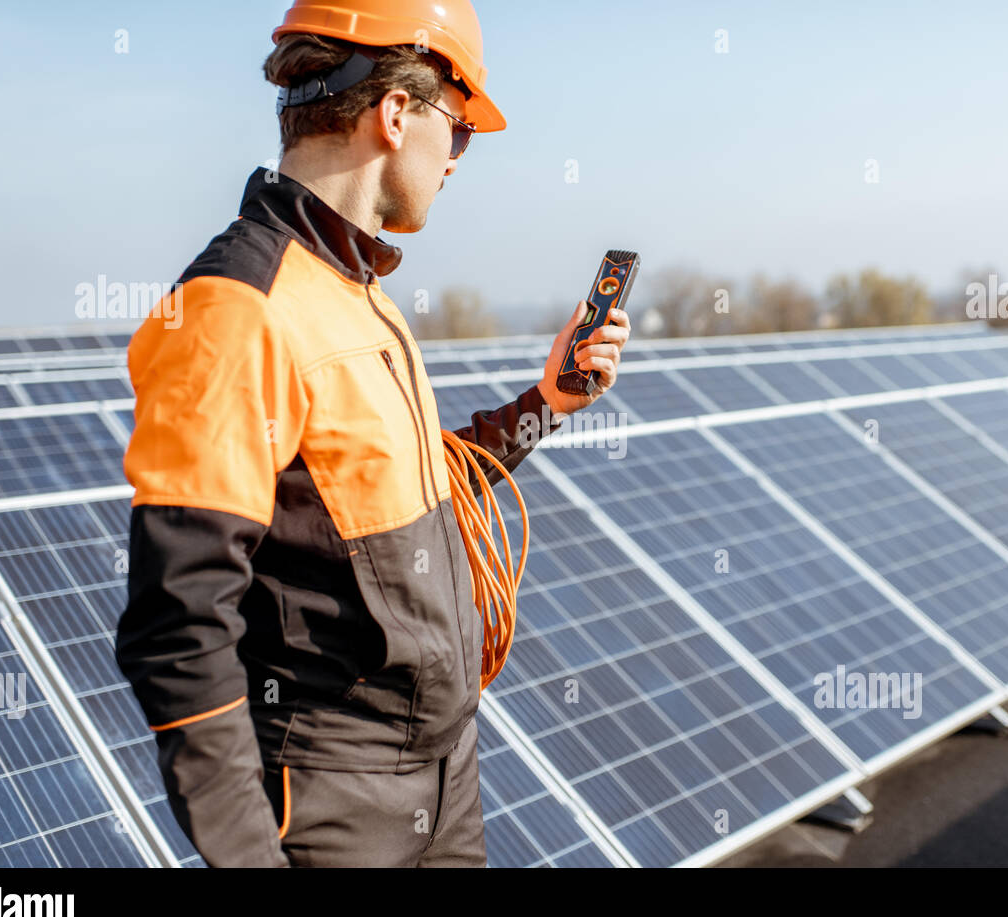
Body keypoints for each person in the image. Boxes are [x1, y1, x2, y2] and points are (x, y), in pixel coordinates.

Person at [115, 0, 630, 867]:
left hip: (443, 776)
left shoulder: (356, 291)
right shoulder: (236, 309)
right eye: (458, 131)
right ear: (396, 115)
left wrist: (548, 399)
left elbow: (423, 481)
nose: (459, 159)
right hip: (338, 804)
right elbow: (177, 623)